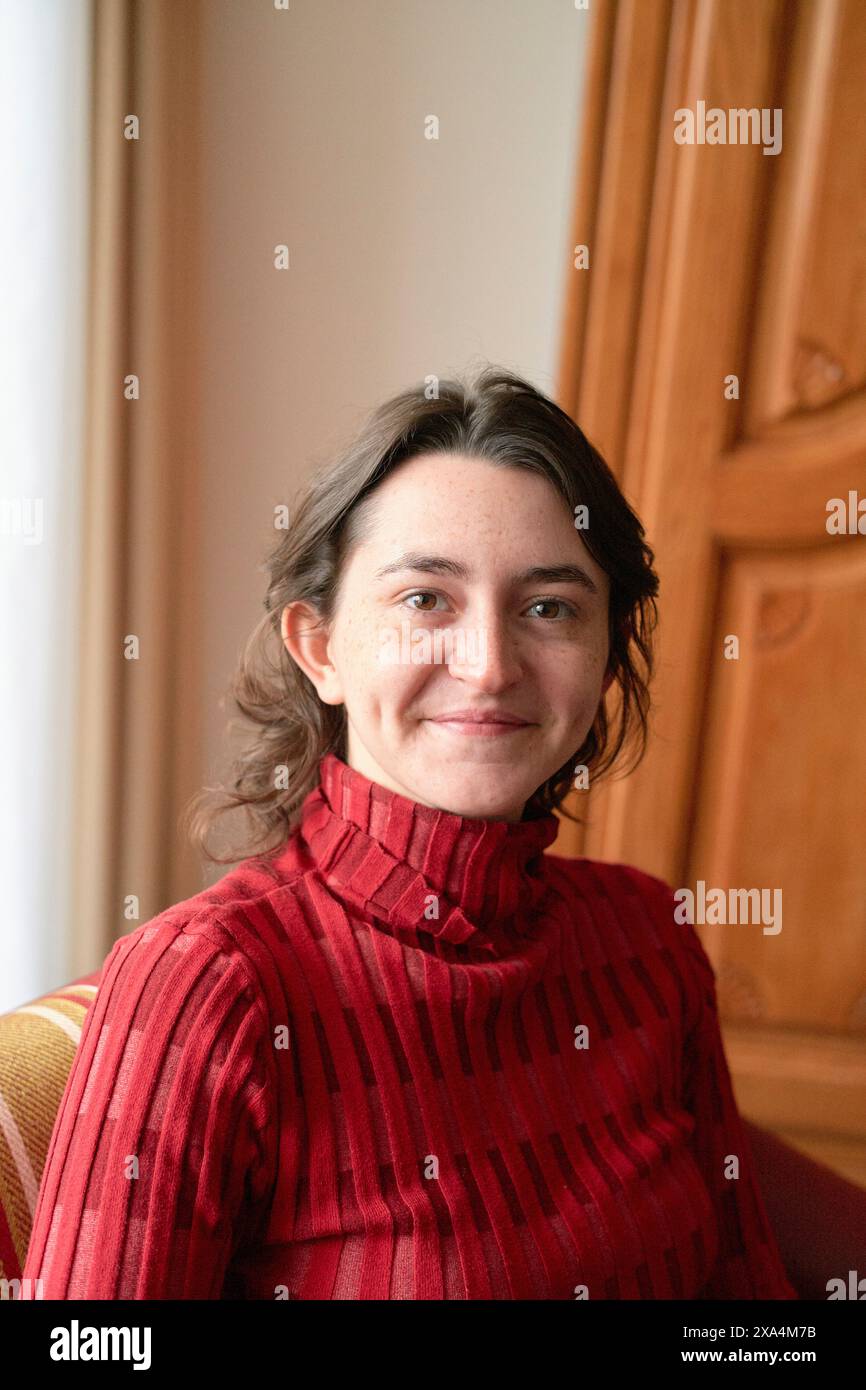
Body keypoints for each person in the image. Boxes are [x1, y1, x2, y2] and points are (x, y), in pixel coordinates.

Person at [21, 365, 797, 1299]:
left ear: (603, 658)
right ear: (320, 649)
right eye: (426, 599)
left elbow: (752, 1301)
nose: (488, 666)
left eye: (549, 608)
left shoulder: (646, 938)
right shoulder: (208, 981)